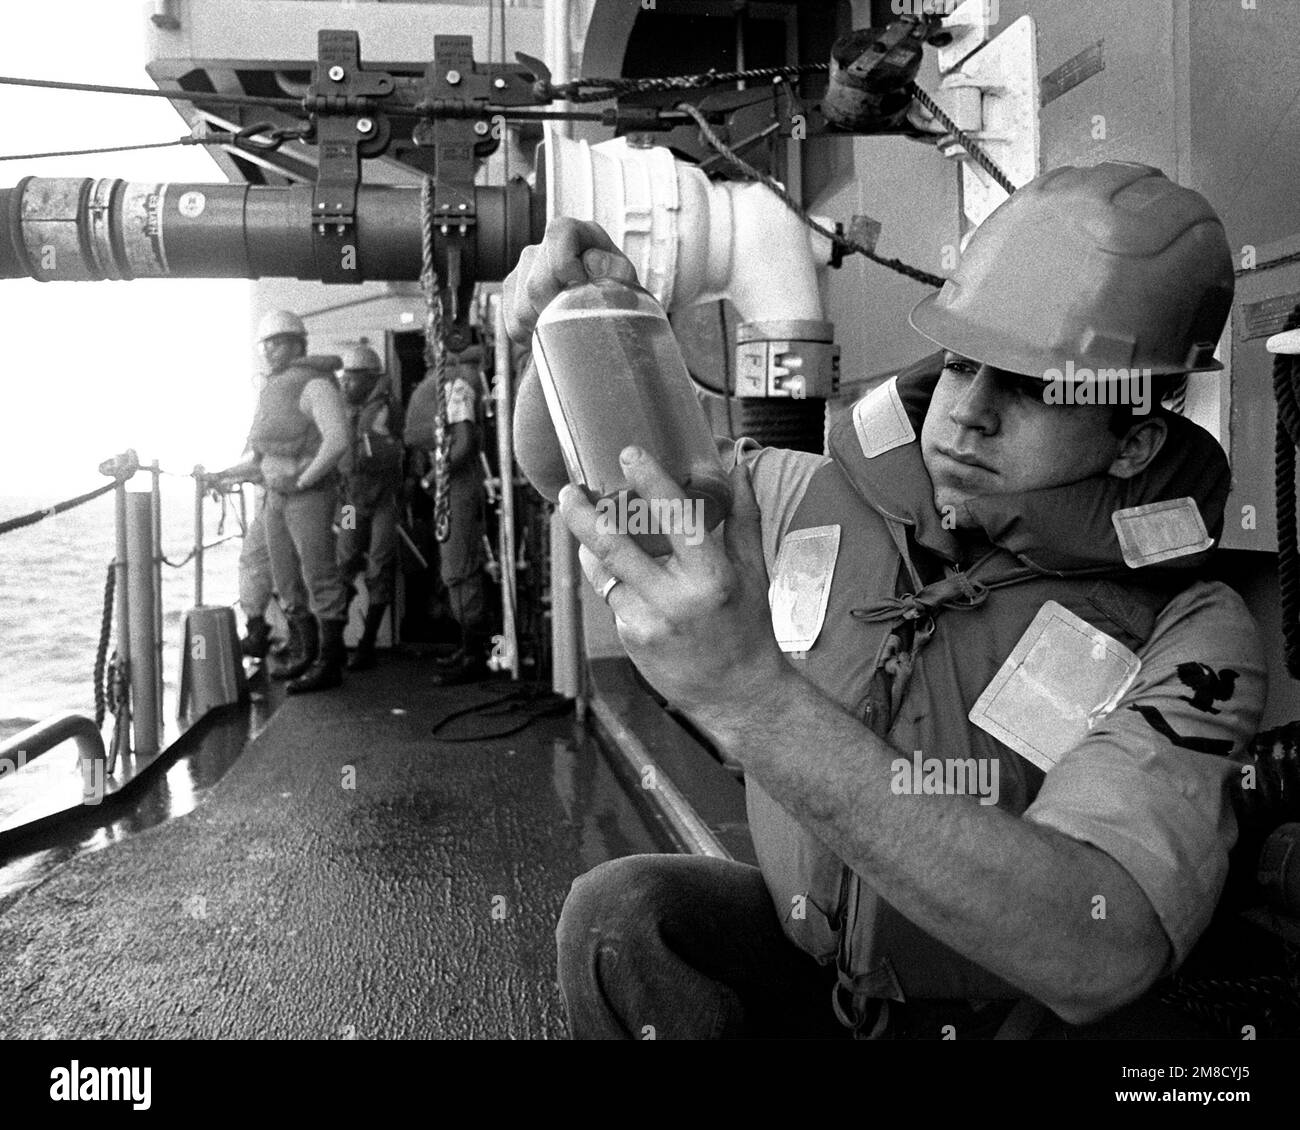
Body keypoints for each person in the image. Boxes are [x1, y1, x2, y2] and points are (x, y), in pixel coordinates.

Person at [504, 163, 1267, 1039]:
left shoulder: (1193, 630)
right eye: (964, 365)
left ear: (1131, 444)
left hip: (998, 1016)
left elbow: (1105, 948)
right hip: (818, 969)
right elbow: (579, 474)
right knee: (626, 917)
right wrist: (571, 335)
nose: (969, 414)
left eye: (1032, 388)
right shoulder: (796, 495)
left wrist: (752, 702)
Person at [230, 309, 351, 695]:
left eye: (279, 341)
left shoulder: (315, 386)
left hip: (308, 496)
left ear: (299, 344)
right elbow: (262, 457)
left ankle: (330, 663)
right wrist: (223, 475)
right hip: (276, 497)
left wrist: (302, 480)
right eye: (267, 343)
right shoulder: (272, 388)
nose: (271, 350)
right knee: (284, 578)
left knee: (319, 574)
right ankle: (306, 652)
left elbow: (337, 440)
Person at [406, 346, 494, 684]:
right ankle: (468, 647)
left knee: (461, 568)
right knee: (453, 569)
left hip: (459, 487)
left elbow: (464, 443)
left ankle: (476, 656)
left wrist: (433, 476)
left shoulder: (458, 387)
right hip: (448, 487)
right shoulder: (445, 385)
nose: (428, 356)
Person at [335, 343, 404, 671]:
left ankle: (366, 645)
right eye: (344, 377)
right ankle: (333, 640)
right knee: (344, 559)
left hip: (383, 503)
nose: (346, 383)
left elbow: (392, 452)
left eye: (352, 378)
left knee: (379, 566)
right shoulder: (343, 409)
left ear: (369, 378)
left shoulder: (386, 409)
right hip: (351, 504)